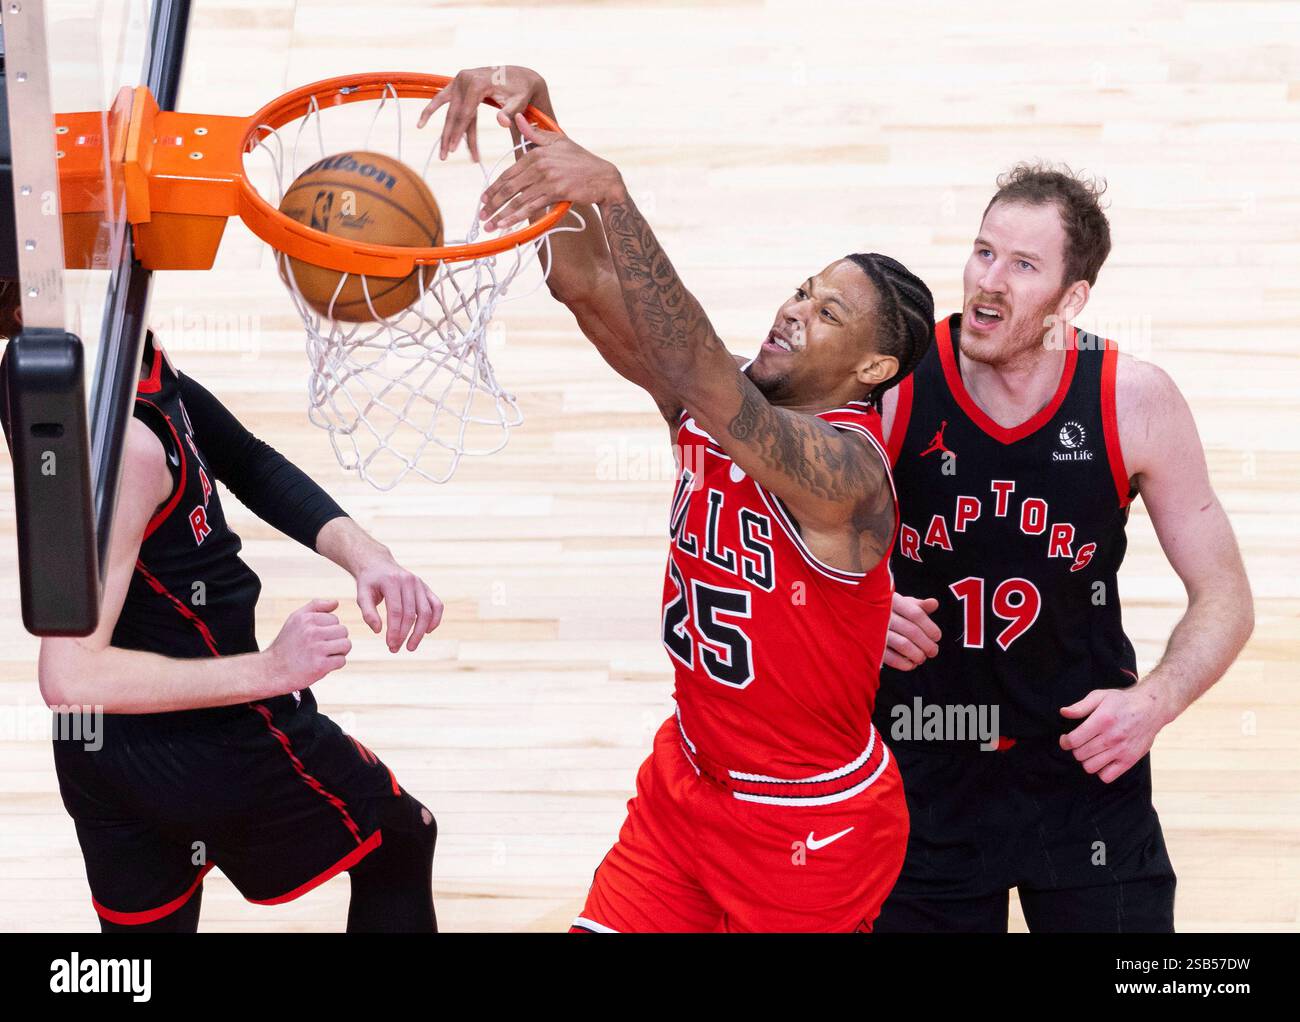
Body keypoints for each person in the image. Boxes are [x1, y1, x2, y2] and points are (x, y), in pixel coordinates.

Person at [424, 66, 935, 931]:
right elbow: (586, 286)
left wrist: (615, 194)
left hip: (809, 827)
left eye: (828, 315)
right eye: (803, 289)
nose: (793, 309)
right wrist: (538, 124)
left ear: (872, 370)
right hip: (685, 788)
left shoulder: (847, 478)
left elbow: (698, 364)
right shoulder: (711, 404)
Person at [872, 164, 1254, 932]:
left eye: (1022, 265)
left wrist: (1156, 702)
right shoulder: (896, 382)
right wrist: (859, 606)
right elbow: (771, 548)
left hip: (1083, 769)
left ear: (1071, 299)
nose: (988, 281)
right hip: (922, 768)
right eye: (983, 252)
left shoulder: (1131, 399)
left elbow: (1227, 597)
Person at [0, 289, 443, 932]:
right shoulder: (124, 447)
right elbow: (70, 676)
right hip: (214, 736)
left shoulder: (76, 361)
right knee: (400, 839)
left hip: (104, 757)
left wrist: (368, 557)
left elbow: (243, 457)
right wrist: (274, 669)